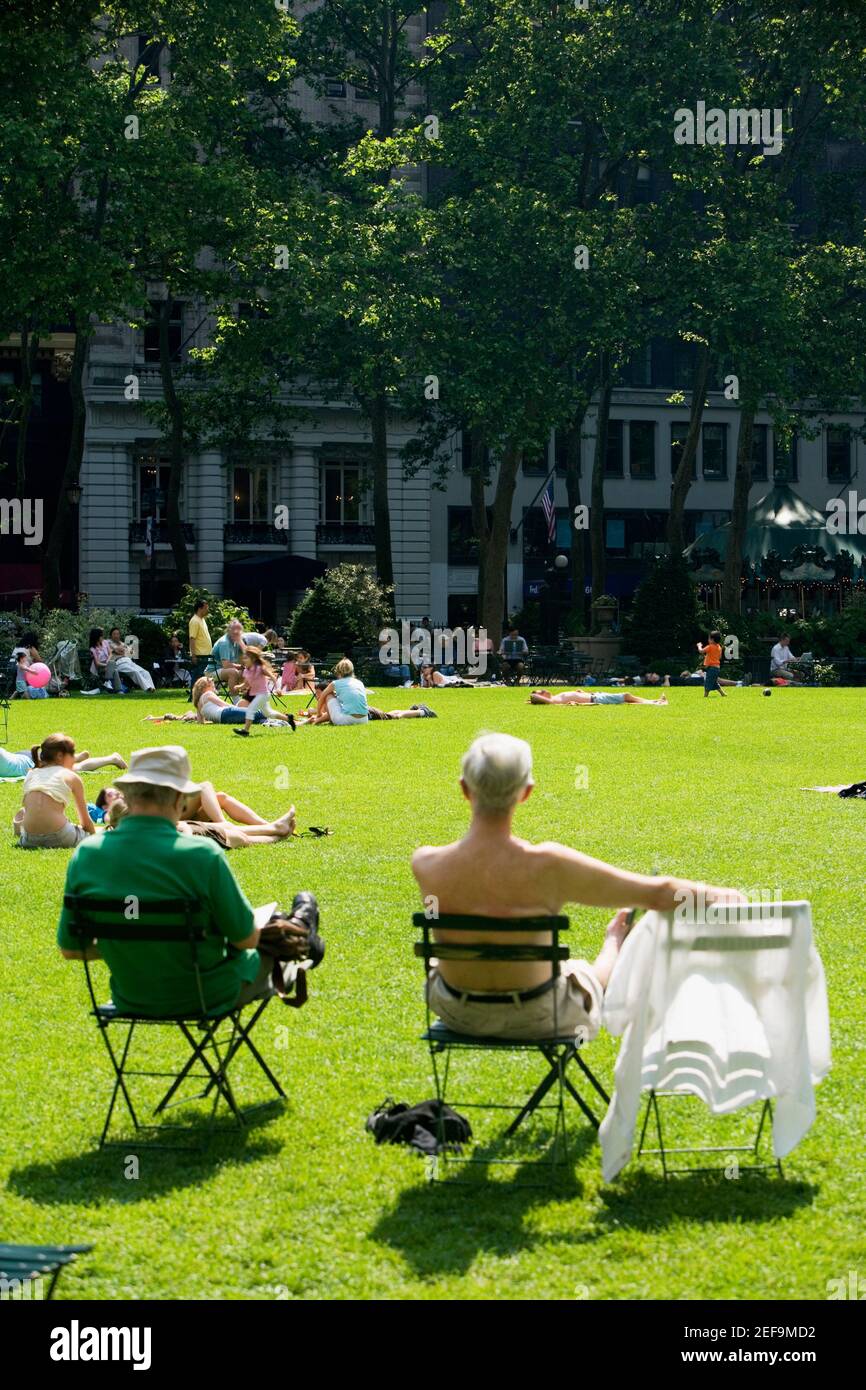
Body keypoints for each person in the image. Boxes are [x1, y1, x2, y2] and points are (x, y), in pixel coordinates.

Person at [411, 733, 744, 1041]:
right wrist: (722, 896)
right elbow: (656, 893)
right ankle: (614, 941)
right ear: (526, 792)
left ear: (465, 789)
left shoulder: (426, 865)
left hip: (458, 1012)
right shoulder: (550, 866)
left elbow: (435, 915)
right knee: (584, 971)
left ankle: (613, 942)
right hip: (541, 1015)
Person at [57, 744, 322, 1017]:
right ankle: (302, 926)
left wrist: (132, 942)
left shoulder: (87, 855)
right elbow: (246, 939)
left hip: (132, 997)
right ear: (178, 799)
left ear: (128, 795)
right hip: (207, 993)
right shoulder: (201, 855)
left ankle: (300, 923)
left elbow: (70, 948)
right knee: (291, 942)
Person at [106, 786, 297, 849]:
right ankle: (278, 833)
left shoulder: (133, 833)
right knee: (242, 838)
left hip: (192, 827)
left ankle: (276, 827)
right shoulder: (139, 838)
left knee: (231, 829)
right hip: (202, 835)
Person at [13, 733, 98, 849]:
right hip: (60, 835)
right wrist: (91, 835)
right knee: (87, 833)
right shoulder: (71, 776)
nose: (74, 759)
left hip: (29, 838)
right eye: (72, 754)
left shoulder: (31, 774)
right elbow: (85, 821)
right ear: (59, 756)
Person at [234, 649, 292, 736]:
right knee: (268, 713)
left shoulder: (259, 668)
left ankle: (245, 731)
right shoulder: (246, 671)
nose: (244, 660)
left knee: (250, 709)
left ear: (253, 659)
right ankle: (289, 719)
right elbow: (246, 683)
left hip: (263, 694)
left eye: (246, 658)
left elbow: (272, 677)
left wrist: (278, 688)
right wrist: (239, 687)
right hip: (256, 694)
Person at [307, 658, 369, 726]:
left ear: (338, 671)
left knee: (328, 695)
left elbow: (322, 696)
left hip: (347, 720)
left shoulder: (336, 683)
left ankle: (325, 719)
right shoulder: (359, 683)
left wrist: (319, 713)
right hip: (364, 719)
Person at [208, 619, 246, 694]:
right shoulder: (224, 643)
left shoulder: (236, 642)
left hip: (223, 670)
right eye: (234, 630)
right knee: (233, 672)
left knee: (248, 671)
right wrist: (240, 666)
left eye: (239, 631)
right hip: (212, 672)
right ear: (229, 630)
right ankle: (236, 700)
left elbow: (249, 656)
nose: (236, 632)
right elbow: (226, 665)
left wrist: (241, 643)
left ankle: (247, 696)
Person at [529, 688, 668, 706]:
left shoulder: (556, 696)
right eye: (541, 691)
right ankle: (655, 703)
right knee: (626, 696)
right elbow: (534, 698)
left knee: (627, 697)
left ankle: (654, 701)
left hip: (595, 696)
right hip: (596, 699)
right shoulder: (552, 701)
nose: (543, 690)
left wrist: (580, 693)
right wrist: (533, 696)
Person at [89, 627, 124, 693]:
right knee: (115, 670)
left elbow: (110, 653)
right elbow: (97, 663)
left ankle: (109, 683)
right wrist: (106, 665)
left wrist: (108, 662)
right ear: (96, 637)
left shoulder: (105, 642)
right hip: (100, 667)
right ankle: (118, 689)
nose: (102, 637)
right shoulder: (93, 649)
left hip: (108, 663)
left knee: (113, 666)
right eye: (101, 636)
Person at [187, 597, 213, 688]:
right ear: (200, 608)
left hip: (205, 654)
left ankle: (199, 695)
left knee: (201, 677)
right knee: (197, 677)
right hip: (199, 655)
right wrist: (193, 655)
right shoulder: (194, 621)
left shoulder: (202, 619)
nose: (208, 610)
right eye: (206, 608)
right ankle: (193, 696)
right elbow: (192, 638)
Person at [697, 629, 724, 698]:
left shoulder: (710, 646)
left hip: (711, 668)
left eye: (709, 638)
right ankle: (722, 693)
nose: (708, 640)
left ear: (712, 639)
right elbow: (719, 657)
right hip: (717, 668)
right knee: (714, 682)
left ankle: (705, 695)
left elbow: (701, 651)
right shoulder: (719, 647)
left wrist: (699, 646)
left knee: (708, 681)